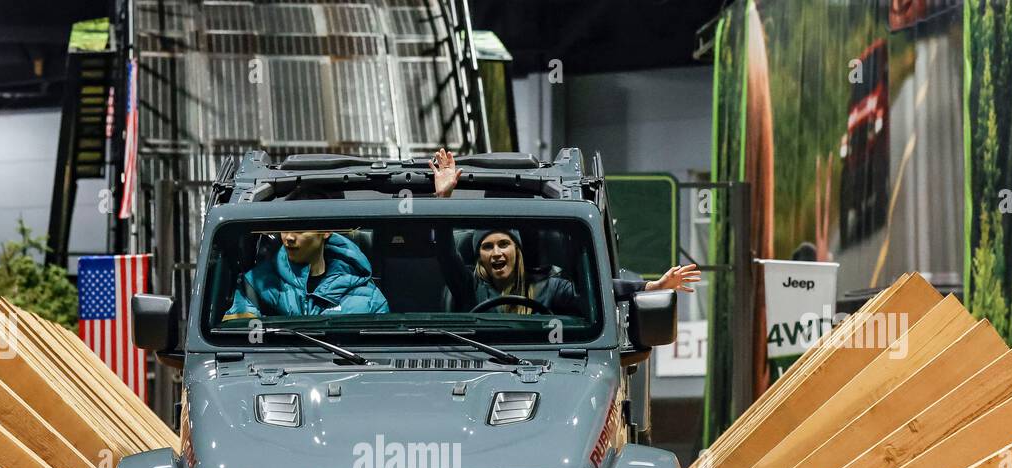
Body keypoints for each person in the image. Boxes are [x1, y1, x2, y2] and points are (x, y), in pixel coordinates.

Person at [429, 149, 702, 305]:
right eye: (487, 247)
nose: (496, 252)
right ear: (479, 257)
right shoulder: (469, 287)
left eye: (504, 244)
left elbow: (597, 292)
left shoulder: (550, 288)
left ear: (518, 250)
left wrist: (652, 287)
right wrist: (443, 198)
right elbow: (445, 253)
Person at [224, 230, 389, 321]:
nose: (288, 237)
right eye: (285, 228)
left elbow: (382, 357)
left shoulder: (370, 298)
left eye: (300, 229)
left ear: (325, 232)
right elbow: (237, 343)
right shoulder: (256, 285)